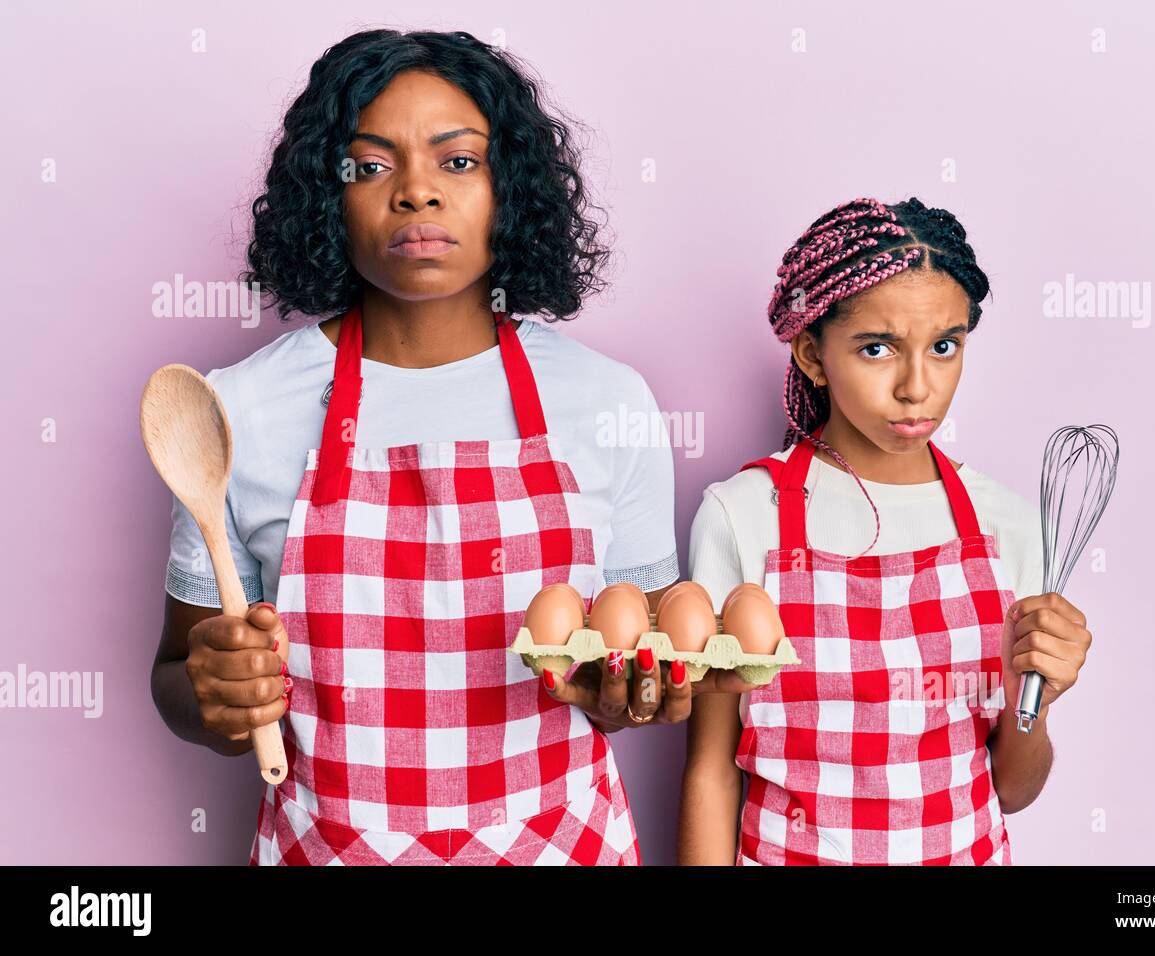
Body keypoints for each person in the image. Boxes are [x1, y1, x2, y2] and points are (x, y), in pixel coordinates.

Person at [151, 29, 684, 865]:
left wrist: (628, 693)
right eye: (370, 166)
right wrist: (214, 694)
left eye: (459, 162)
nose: (417, 194)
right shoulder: (239, 408)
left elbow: (650, 648)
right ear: (327, 198)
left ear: (511, 188)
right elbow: (178, 678)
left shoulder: (607, 400)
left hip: (561, 844)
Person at [678, 197, 1094, 865]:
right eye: (878, 349)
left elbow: (1012, 790)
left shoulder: (1007, 523)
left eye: (944, 347)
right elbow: (711, 770)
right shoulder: (743, 514)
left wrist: (1032, 702)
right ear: (813, 355)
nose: (916, 387)